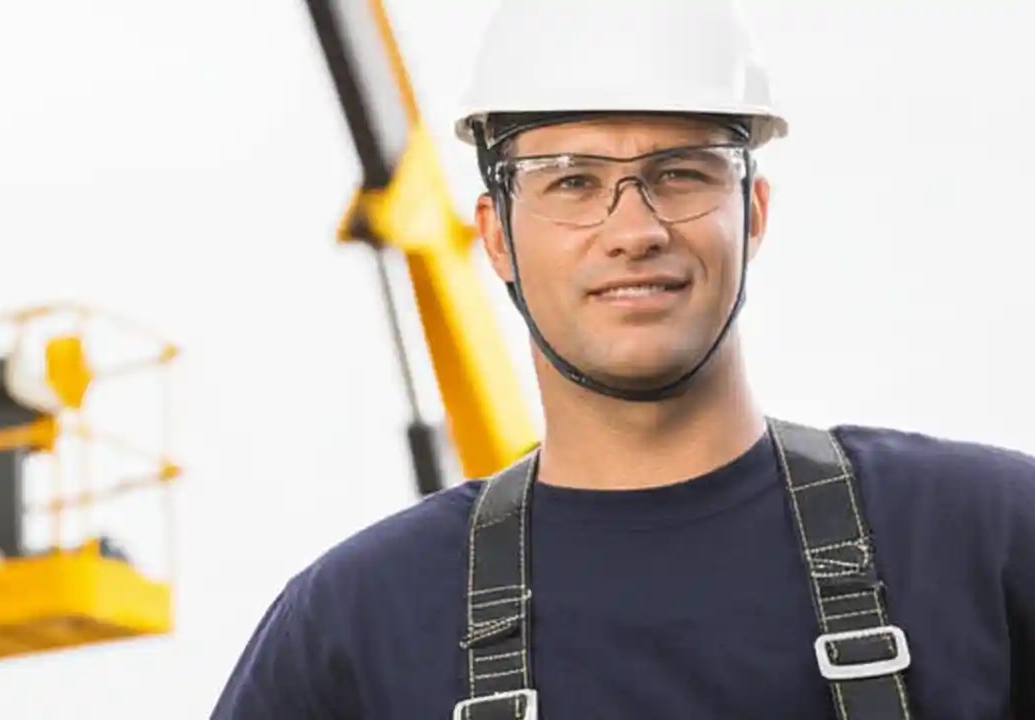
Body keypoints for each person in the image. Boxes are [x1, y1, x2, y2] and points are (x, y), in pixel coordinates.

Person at [211, 1, 1035, 717]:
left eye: (680, 174)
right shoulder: (355, 627)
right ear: (496, 234)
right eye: (570, 182)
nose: (634, 228)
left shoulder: (989, 539)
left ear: (752, 213)